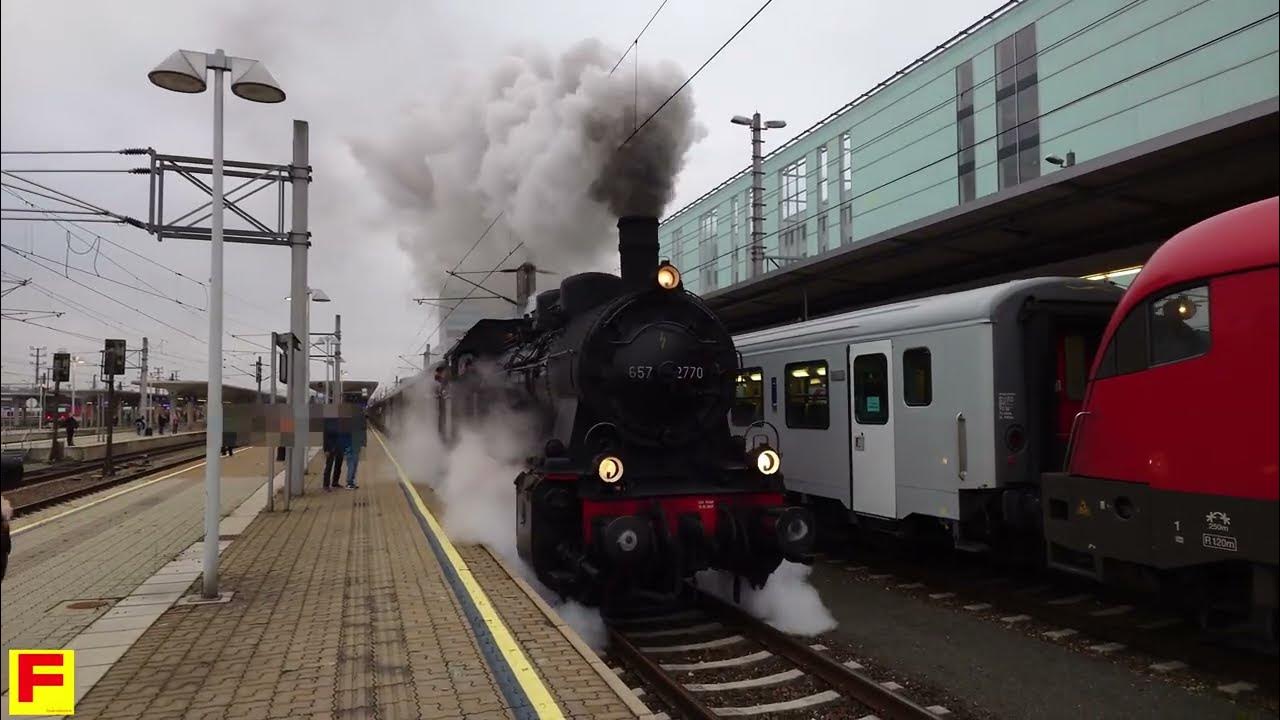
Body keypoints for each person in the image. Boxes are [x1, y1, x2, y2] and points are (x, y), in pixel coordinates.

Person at [344, 411, 367, 489]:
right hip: (351, 447)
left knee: (354, 465)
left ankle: (351, 482)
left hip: (354, 447)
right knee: (351, 465)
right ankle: (349, 482)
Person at [322, 413, 343, 491]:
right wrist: (326, 449)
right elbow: (325, 436)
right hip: (330, 447)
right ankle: (326, 485)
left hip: (339, 446)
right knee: (329, 465)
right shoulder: (327, 421)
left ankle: (335, 482)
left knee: (338, 465)